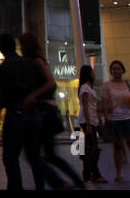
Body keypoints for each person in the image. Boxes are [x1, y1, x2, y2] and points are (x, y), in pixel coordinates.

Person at [20, 33, 83, 189]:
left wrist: (32, 96)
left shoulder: (37, 62)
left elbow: (51, 83)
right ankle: (73, 181)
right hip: (47, 111)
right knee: (48, 154)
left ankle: (60, 182)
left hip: (44, 112)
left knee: (36, 154)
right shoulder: (38, 61)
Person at [0, 34, 55, 190]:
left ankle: (16, 187)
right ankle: (41, 186)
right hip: (33, 115)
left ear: (0, 49)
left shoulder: (2, 69)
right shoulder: (30, 64)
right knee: (35, 157)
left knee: (10, 158)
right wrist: (33, 96)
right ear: (15, 46)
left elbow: (2, 97)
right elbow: (49, 84)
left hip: (14, 115)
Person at [100, 60, 130, 183]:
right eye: (113, 69)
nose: (116, 71)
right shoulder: (107, 85)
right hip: (115, 118)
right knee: (118, 146)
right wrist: (106, 116)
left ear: (123, 70)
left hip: (128, 117)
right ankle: (119, 173)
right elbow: (104, 102)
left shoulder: (129, 84)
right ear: (111, 71)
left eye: (118, 68)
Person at [77, 65, 106, 184]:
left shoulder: (89, 87)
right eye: (92, 71)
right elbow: (85, 106)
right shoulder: (85, 88)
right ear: (88, 73)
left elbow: (92, 106)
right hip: (87, 121)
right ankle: (96, 174)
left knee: (89, 148)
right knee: (93, 148)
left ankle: (87, 174)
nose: (94, 73)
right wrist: (88, 123)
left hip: (91, 120)